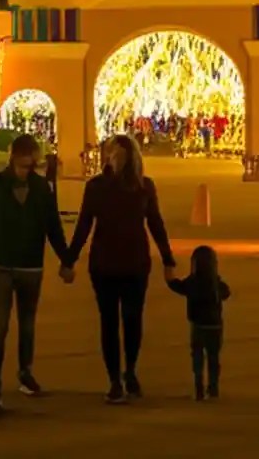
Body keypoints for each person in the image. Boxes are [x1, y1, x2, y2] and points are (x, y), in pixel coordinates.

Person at [66, 134, 175, 403]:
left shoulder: (144, 187)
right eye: (111, 154)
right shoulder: (96, 187)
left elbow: (156, 224)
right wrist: (69, 259)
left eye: (118, 154)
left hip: (134, 263)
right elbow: (83, 226)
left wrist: (168, 259)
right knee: (110, 322)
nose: (114, 158)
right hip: (105, 264)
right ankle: (115, 378)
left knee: (132, 320)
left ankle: (130, 371)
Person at [0, 134, 73, 415]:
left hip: (31, 266)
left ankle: (25, 373)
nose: (26, 171)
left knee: (27, 324)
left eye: (31, 166)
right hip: (1, 267)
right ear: (13, 158)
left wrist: (66, 260)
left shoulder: (42, 189)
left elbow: (53, 226)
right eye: (22, 165)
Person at [167, 245, 231, 401]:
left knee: (197, 356)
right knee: (213, 357)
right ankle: (213, 387)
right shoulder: (216, 283)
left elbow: (179, 287)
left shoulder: (192, 282)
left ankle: (199, 387)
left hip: (198, 325)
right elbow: (227, 293)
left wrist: (169, 278)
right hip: (215, 326)